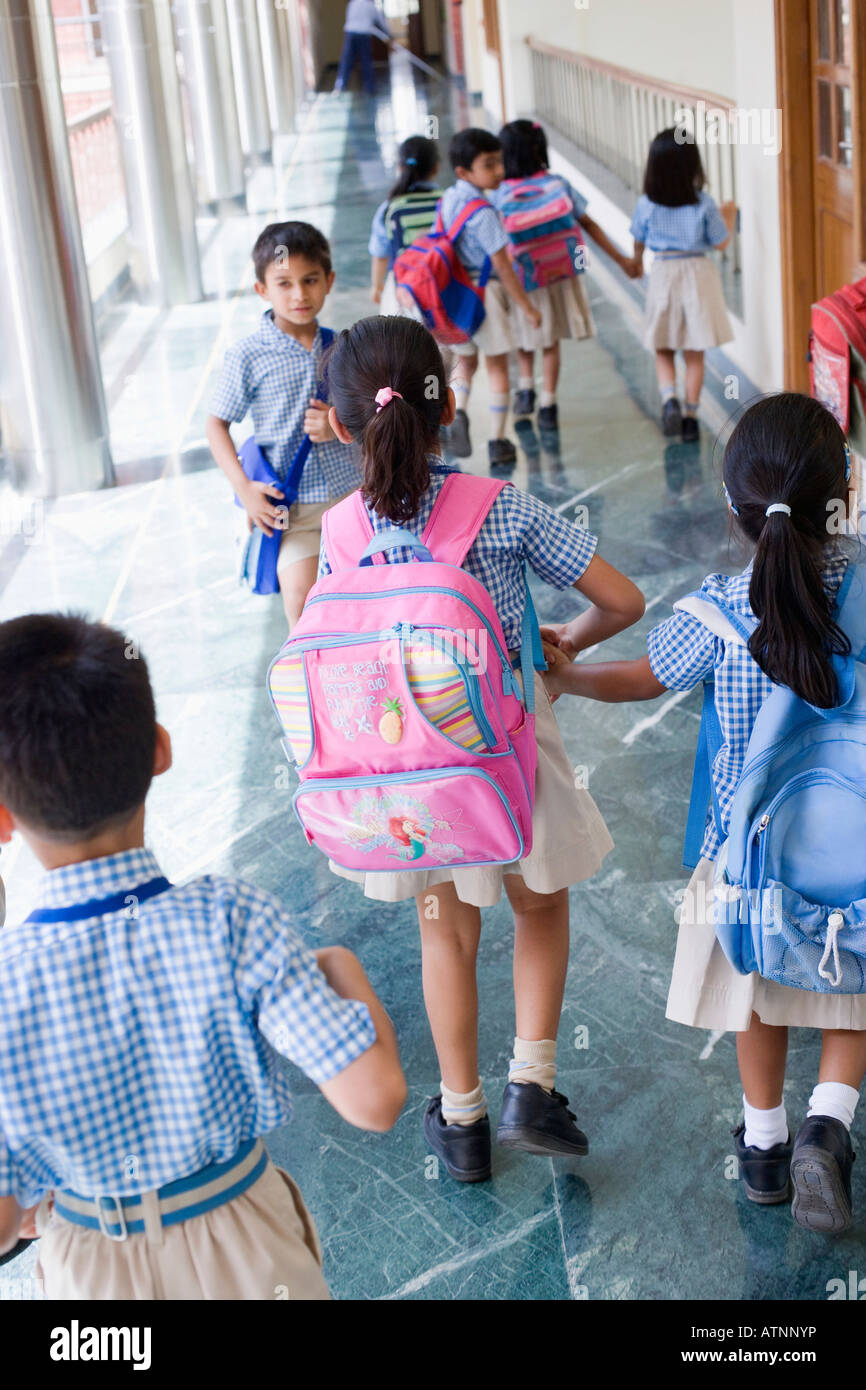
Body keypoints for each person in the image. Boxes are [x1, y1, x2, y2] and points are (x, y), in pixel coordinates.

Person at [317, 315, 645, 1182]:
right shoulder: (503, 507)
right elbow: (624, 601)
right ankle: (530, 1085)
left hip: (406, 777)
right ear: (450, 405)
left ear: (343, 425)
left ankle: (461, 1122)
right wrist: (558, 640)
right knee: (539, 906)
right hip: (508, 754)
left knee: (445, 936)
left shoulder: (341, 531)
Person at [0, 614, 406, 1296]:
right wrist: (344, 971)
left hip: (93, 1266)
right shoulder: (234, 920)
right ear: (160, 750)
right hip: (247, 1241)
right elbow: (375, 1100)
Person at [543, 393, 866, 1234]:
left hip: (745, 861)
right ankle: (828, 1127)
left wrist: (566, 671)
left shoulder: (720, 608)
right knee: (851, 995)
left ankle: (765, 1147)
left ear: (733, 510)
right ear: (850, 490)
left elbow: (645, 677)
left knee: (753, 995)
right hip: (854, 857)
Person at [206, 222, 358, 629]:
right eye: (284, 283)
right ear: (262, 290)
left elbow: (371, 412)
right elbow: (215, 424)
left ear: (329, 281)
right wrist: (244, 488)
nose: (300, 294)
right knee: (302, 606)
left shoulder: (344, 347)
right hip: (295, 512)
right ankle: (310, 687)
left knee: (362, 599)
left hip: (354, 498)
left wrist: (337, 424)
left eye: (310, 280)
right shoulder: (248, 355)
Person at [493, 119, 640, 432]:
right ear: (538, 149)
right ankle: (548, 403)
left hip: (523, 277)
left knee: (525, 333)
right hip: (560, 274)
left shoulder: (499, 194)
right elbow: (589, 224)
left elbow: (494, 246)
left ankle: (526, 387)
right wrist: (622, 260)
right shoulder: (558, 184)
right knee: (551, 340)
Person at [438, 128, 543, 467]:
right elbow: (502, 264)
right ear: (464, 172)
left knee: (465, 363)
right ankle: (499, 440)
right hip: (485, 295)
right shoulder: (483, 212)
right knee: (498, 367)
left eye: (499, 161)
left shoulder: (449, 199)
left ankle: (461, 413)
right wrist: (527, 306)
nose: (500, 170)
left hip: (453, 297)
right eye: (489, 164)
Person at [627, 127, 737, 443]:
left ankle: (668, 400)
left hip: (663, 272)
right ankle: (690, 417)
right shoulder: (704, 203)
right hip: (698, 273)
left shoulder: (646, 203)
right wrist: (728, 215)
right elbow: (720, 243)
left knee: (663, 345)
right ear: (693, 165)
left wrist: (636, 261)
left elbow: (638, 239)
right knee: (694, 351)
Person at [369, 135, 441, 314]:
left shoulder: (389, 208)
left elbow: (380, 254)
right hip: (441, 275)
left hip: (404, 285)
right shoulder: (447, 200)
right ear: (436, 168)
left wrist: (376, 286)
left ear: (400, 167)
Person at [334, 0, 392, 96]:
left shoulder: (353, 3)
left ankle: (339, 87)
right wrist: (389, 35)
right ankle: (370, 89)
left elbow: (349, 19)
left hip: (351, 34)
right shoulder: (371, 7)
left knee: (346, 61)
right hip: (363, 35)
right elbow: (381, 22)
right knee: (366, 62)